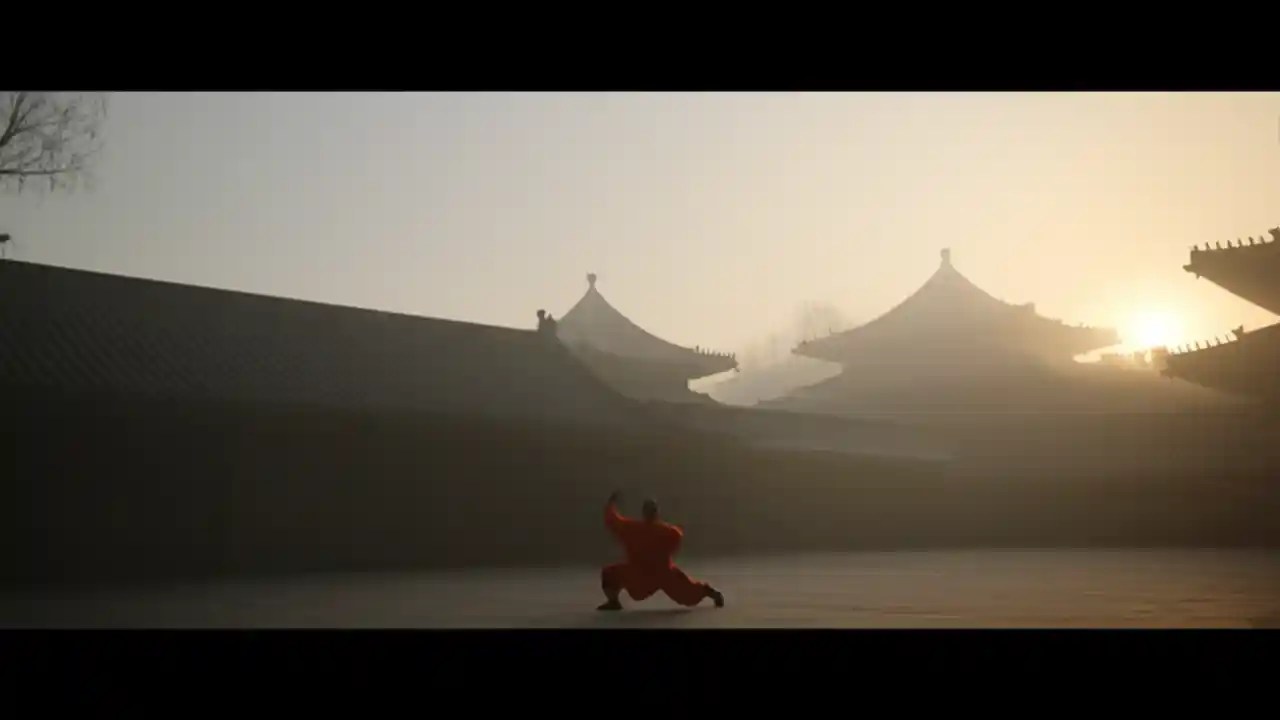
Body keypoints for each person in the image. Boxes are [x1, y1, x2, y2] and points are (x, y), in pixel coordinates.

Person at [598, 491, 724, 611]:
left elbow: (612, 520)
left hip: (641, 575)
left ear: (643, 513)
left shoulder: (631, 529)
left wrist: (611, 503)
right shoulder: (667, 531)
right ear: (657, 513)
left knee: (610, 574)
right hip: (663, 574)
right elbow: (677, 538)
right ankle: (712, 593)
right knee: (688, 593)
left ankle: (613, 601)